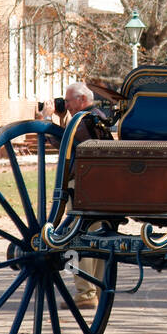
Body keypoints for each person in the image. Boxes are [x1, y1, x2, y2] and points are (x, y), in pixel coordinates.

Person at [64, 82, 110, 310]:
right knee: (98, 238)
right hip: (100, 185)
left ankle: (84, 292)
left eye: (68, 101)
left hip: (81, 187)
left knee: (75, 238)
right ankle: (97, 290)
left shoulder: (83, 121)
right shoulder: (97, 117)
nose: (66, 105)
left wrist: (49, 122)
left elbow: (64, 144)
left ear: (82, 99)